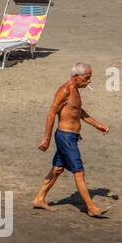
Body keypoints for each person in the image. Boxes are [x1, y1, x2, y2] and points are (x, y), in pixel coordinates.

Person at [35, 63, 110, 218]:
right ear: (76, 77)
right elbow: (51, 114)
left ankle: (39, 199)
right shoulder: (64, 91)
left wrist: (98, 125)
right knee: (79, 172)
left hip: (71, 137)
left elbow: (79, 112)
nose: (89, 81)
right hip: (66, 137)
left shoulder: (75, 91)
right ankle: (91, 208)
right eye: (87, 78)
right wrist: (46, 139)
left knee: (57, 169)